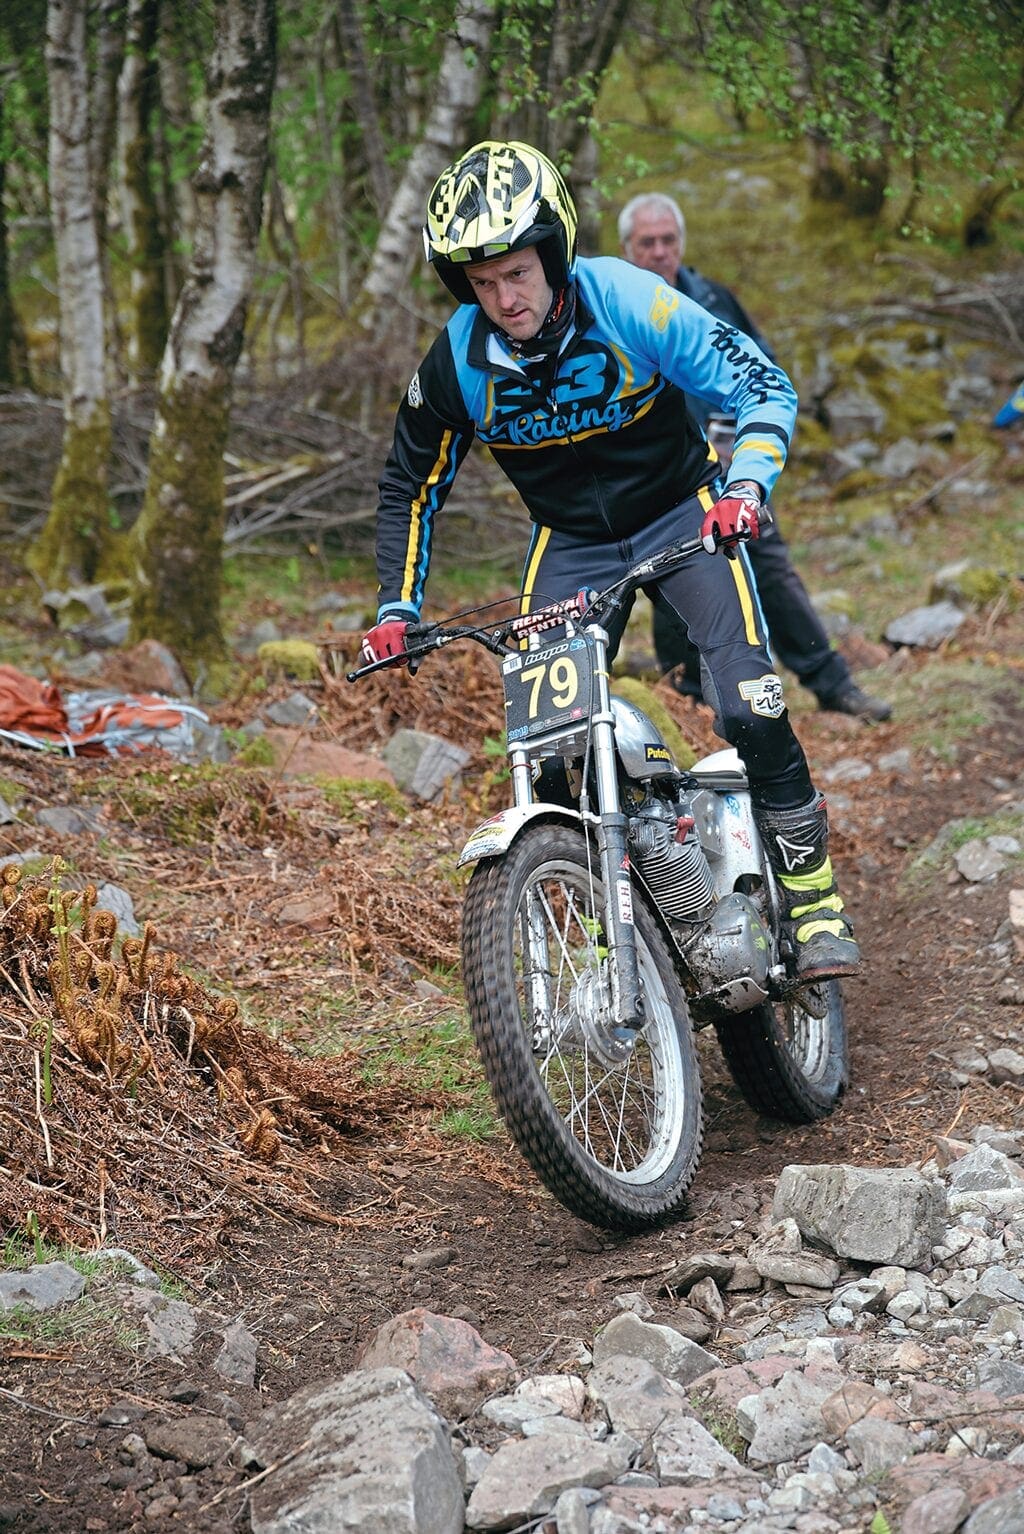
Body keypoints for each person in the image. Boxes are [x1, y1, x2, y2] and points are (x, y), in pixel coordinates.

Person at [360, 140, 859, 982]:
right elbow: (409, 483)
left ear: (552, 253)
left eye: (516, 273)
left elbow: (761, 385)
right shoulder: (457, 361)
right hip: (572, 547)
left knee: (748, 704)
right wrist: (395, 609)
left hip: (682, 513)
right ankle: (643, 905)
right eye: (481, 284)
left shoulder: (628, 299)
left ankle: (814, 908)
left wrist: (746, 484)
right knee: (555, 757)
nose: (503, 299)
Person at [619, 191, 891, 723]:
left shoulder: (713, 298)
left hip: (734, 475)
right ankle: (691, 710)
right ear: (628, 250)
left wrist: (737, 442)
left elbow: (762, 373)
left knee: (772, 572)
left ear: (681, 244)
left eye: (667, 240)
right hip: (662, 487)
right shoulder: (614, 315)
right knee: (675, 596)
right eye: (646, 242)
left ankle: (832, 683)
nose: (658, 251)